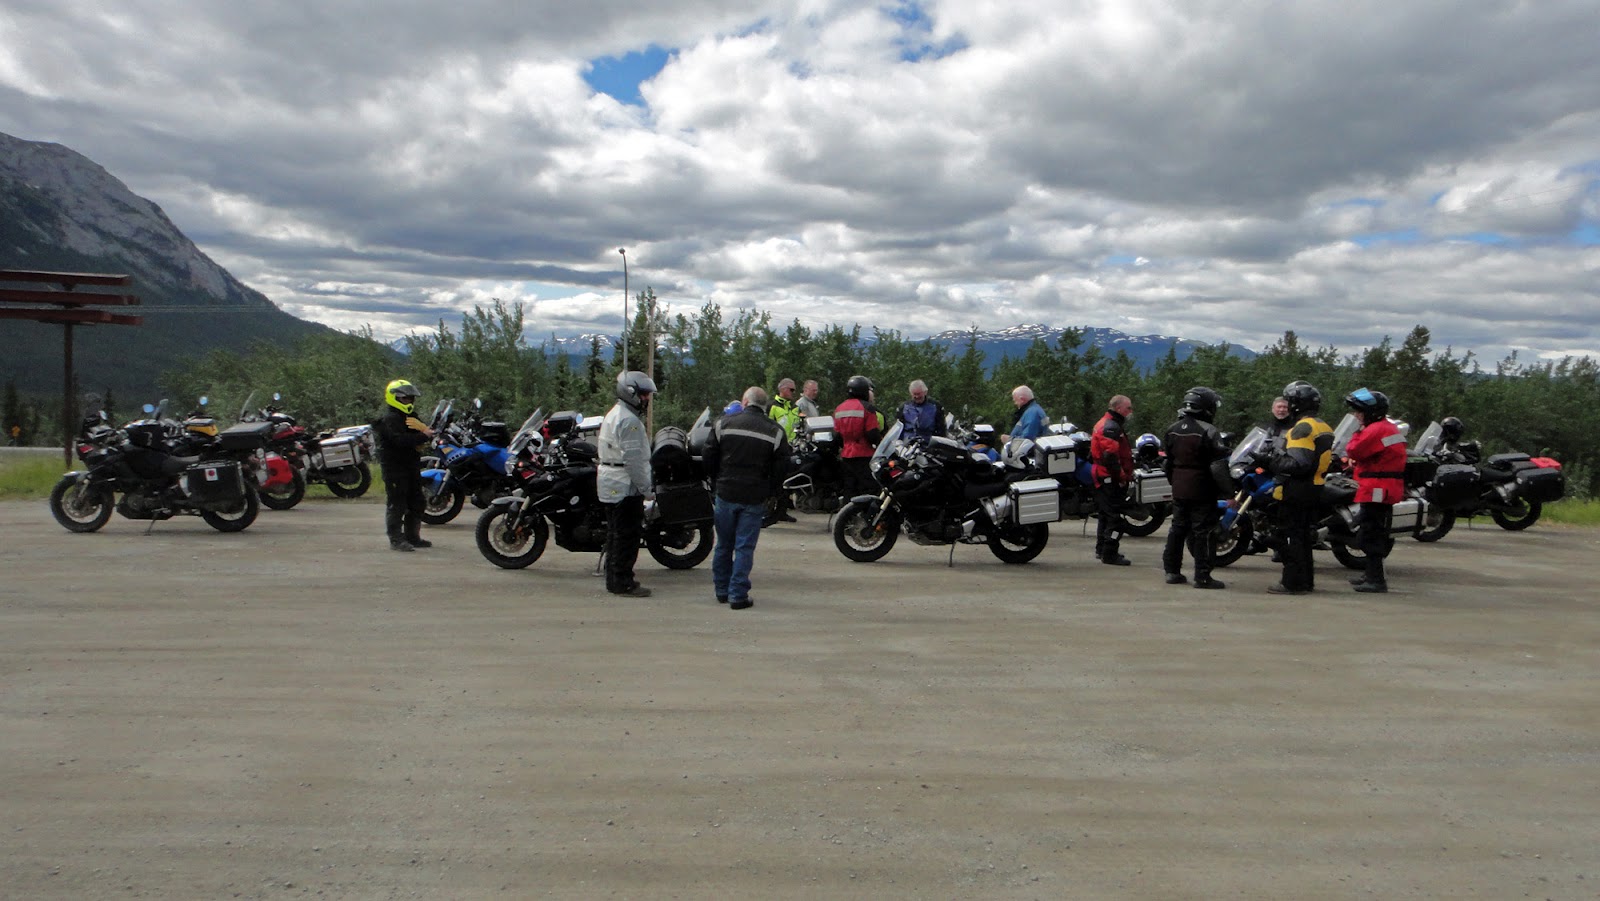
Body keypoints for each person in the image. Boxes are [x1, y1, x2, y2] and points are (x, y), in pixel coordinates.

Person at [704, 386, 788, 610]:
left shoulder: (723, 423)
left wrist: (716, 481)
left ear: (744, 401)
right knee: (744, 547)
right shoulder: (775, 431)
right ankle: (737, 595)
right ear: (765, 405)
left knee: (723, 544)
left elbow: (708, 455)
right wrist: (770, 491)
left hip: (726, 492)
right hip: (754, 495)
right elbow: (781, 468)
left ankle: (721, 590)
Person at [1259, 380, 1334, 595]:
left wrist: (1268, 462)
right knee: (1302, 537)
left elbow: (1298, 465)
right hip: (1316, 486)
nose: (1287, 406)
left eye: (1289, 402)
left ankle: (1291, 582)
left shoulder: (1301, 428)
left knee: (1290, 536)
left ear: (1296, 404)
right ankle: (1306, 580)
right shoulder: (1323, 426)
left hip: (1297, 488)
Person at [1162, 387, 1230, 589]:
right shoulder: (1208, 430)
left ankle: (1171, 571)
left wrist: (1174, 481)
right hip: (1202, 487)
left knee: (1177, 528)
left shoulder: (1172, 429)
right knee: (1203, 532)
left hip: (1180, 486)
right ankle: (1202, 576)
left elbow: (1167, 463)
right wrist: (1228, 492)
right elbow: (1218, 466)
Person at [598, 371, 657, 598]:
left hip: (610, 479)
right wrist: (646, 488)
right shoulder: (629, 421)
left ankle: (613, 576)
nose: (646, 399)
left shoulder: (615, 414)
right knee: (627, 535)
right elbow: (634, 460)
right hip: (623, 483)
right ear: (631, 393)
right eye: (643, 395)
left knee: (615, 533)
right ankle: (622, 581)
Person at [1343, 388, 1406, 593]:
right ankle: (1370, 575)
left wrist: (1357, 433)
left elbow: (1354, 449)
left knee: (1371, 532)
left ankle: (1376, 580)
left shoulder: (1375, 429)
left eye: (1359, 412)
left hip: (1377, 488)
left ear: (1370, 412)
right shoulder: (1386, 427)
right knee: (1372, 530)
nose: (1356, 416)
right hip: (1382, 487)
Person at [375, 379, 435, 552]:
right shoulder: (389, 419)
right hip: (394, 467)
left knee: (417, 500)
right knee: (397, 502)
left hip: (411, 464)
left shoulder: (410, 417)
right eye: (405, 398)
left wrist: (427, 433)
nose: (409, 402)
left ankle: (412, 536)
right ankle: (396, 539)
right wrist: (423, 436)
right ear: (395, 398)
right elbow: (400, 440)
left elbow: (422, 431)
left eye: (410, 399)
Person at [1091, 395, 1136, 565]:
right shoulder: (1110, 427)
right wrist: (1122, 477)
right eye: (1128, 408)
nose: (1130, 411)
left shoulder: (1108, 423)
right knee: (1115, 519)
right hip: (1107, 477)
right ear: (1118, 409)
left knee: (1105, 514)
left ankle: (1101, 549)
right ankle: (1110, 553)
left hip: (1102, 475)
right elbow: (1110, 457)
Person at [834, 375, 881, 495]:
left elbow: (837, 435)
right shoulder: (867, 407)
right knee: (870, 488)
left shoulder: (839, 408)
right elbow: (872, 434)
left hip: (846, 454)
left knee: (849, 488)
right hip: (864, 454)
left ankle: (846, 512)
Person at [766, 380, 802, 524]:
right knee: (774, 479)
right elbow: (766, 424)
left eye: (794, 390)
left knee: (787, 480)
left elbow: (799, 425)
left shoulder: (794, 408)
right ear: (782, 389)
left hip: (791, 447)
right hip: (775, 448)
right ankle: (769, 509)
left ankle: (782, 511)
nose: (793, 393)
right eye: (791, 390)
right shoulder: (772, 406)